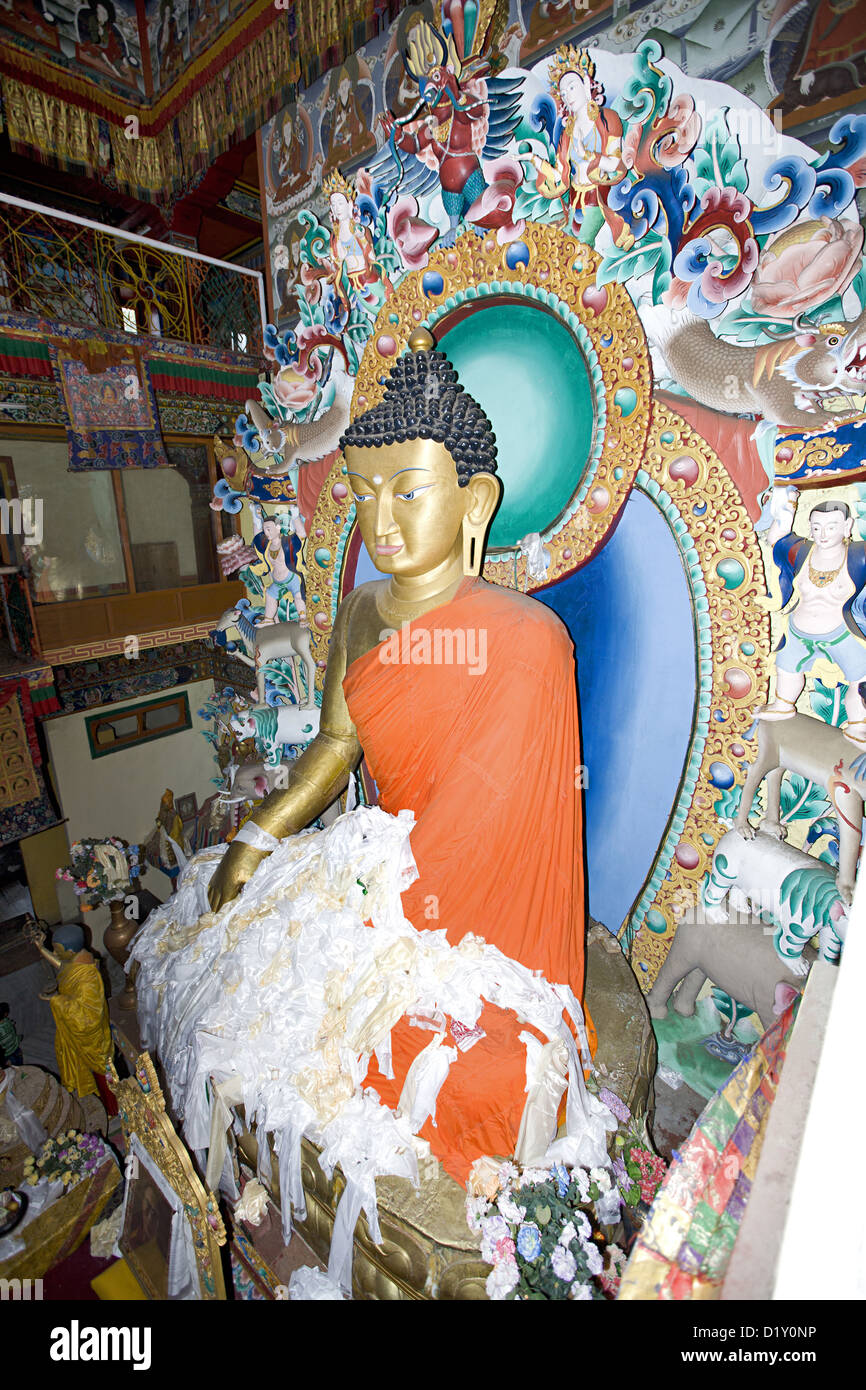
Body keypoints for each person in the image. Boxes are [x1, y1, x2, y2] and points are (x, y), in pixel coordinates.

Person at [207, 328, 594, 1184]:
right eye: (361, 495)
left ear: (475, 502)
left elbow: (508, 822)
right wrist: (258, 835)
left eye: (409, 493)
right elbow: (338, 743)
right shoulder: (359, 613)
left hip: (471, 912)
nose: (379, 524)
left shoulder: (528, 641)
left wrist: (390, 903)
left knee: (465, 1063)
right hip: (379, 868)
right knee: (249, 967)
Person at [760, 492, 866, 746]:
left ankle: (858, 724)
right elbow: (777, 539)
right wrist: (787, 503)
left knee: (861, 678)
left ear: (847, 526)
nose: (823, 534)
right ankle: (783, 704)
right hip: (799, 632)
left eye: (831, 527)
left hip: (840, 633)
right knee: (786, 669)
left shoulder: (858, 556)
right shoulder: (804, 552)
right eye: (816, 527)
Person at [32, 929, 112, 1100]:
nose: (55, 954)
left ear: (69, 952)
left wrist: (57, 1000)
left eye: (57, 951)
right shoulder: (79, 960)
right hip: (78, 1025)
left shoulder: (87, 980)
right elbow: (63, 965)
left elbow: (87, 1021)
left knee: (103, 1076)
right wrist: (41, 949)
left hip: (92, 1040)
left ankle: (112, 1106)